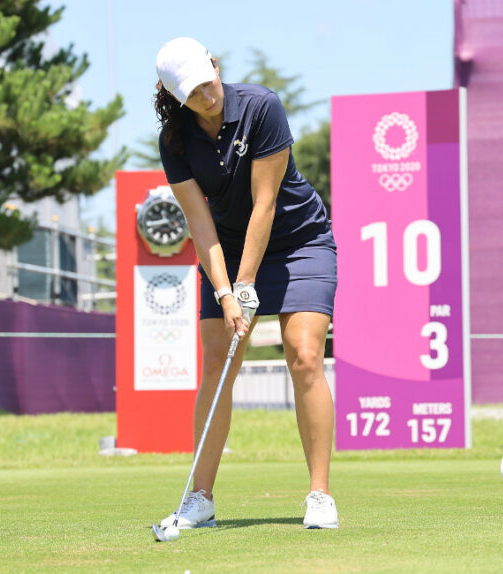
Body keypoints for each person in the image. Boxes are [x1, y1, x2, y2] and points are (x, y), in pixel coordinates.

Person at [153, 37, 339, 530]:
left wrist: (247, 284)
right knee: (218, 361)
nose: (206, 96)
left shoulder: (262, 107)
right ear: (176, 97)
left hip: (300, 242)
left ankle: (319, 495)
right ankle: (200, 498)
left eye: (207, 82)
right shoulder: (175, 142)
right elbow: (201, 225)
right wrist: (225, 291)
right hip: (229, 249)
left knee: (304, 355)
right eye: (192, 93)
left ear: (215, 66)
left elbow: (265, 204)